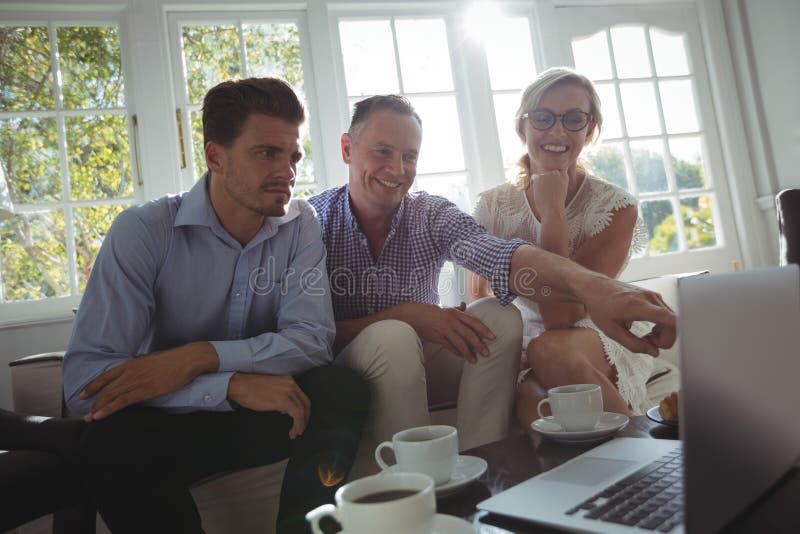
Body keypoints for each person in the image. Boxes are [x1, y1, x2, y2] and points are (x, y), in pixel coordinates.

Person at [2, 78, 370, 534]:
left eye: (293, 155)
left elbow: (312, 340)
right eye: (267, 153)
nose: (288, 171)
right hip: (166, 421)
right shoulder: (144, 231)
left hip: (259, 416)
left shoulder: (300, 225)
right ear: (216, 156)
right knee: (112, 440)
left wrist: (200, 357)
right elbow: (86, 381)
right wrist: (229, 384)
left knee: (341, 388)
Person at [308, 95, 677, 458]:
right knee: (394, 335)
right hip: (350, 360)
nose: (398, 169)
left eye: (410, 156)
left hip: (416, 355)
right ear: (347, 149)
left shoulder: (428, 213)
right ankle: (417, 478)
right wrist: (406, 315)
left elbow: (502, 255)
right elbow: (309, 337)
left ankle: (485, 464)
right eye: (382, 151)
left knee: (498, 316)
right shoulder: (311, 223)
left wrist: (597, 288)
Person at [469, 67, 678, 430]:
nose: (557, 131)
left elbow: (562, 317)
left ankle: (645, 458)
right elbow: (480, 298)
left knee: (551, 348)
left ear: (590, 128)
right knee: (535, 406)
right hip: (525, 339)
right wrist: (510, 348)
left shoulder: (615, 207)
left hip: (594, 329)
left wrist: (552, 212)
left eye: (573, 119)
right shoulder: (492, 206)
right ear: (523, 128)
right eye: (543, 118)